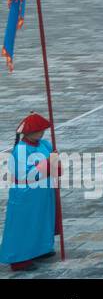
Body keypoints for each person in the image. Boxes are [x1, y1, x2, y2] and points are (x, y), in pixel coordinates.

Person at [1, 114, 58, 271]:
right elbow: (24, 174)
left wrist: (54, 162)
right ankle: (19, 257)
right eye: (39, 131)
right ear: (28, 133)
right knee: (24, 224)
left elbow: (53, 163)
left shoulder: (44, 144)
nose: (42, 133)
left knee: (41, 219)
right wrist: (48, 163)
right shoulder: (20, 150)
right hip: (26, 193)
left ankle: (40, 248)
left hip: (42, 191)